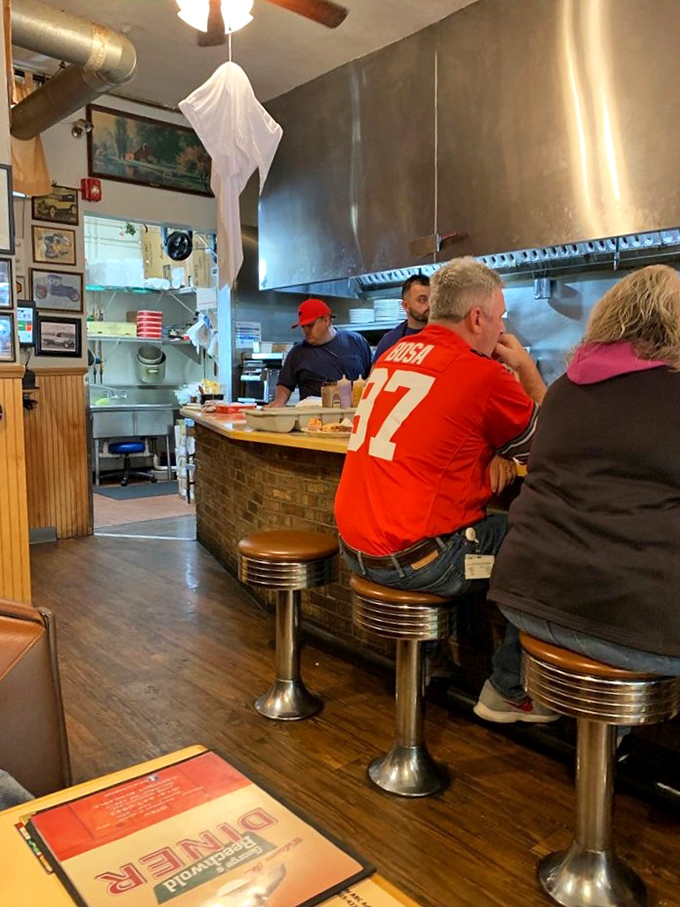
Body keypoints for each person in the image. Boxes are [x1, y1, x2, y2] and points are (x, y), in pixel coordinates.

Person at [334, 257, 552, 719]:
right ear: (477, 318)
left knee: (447, 522)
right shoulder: (483, 374)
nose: (502, 329)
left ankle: (429, 659)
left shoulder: (393, 353)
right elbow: (551, 447)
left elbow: (445, 431)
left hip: (353, 549)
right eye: (500, 318)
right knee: (543, 541)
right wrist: (526, 368)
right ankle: (508, 687)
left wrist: (494, 453)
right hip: (420, 564)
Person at [477, 264, 680, 722]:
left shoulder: (566, 389)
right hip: (633, 628)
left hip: (525, 603)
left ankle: (515, 688)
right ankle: (611, 739)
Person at [269, 298, 372, 406]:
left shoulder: (355, 341)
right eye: (303, 326)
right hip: (314, 413)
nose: (305, 331)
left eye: (310, 325)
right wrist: (279, 401)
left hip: (356, 411)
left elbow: (372, 374)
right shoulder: (297, 353)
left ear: (326, 320)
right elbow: (285, 385)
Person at [372, 274, 430, 362]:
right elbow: (376, 370)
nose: (429, 305)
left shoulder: (446, 335)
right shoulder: (390, 341)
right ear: (405, 306)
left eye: (433, 299)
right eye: (422, 300)